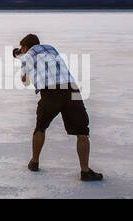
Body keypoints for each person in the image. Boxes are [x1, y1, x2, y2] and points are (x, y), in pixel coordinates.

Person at [14, 33, 103, 181]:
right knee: (82, 132)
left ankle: (34, 162)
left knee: (40, 127)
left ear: (24, 47)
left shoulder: (27, 56)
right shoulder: (51, 48)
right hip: (71, 89)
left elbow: (25, 81)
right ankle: (85, 171)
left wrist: (21, 59)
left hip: (50, 92)